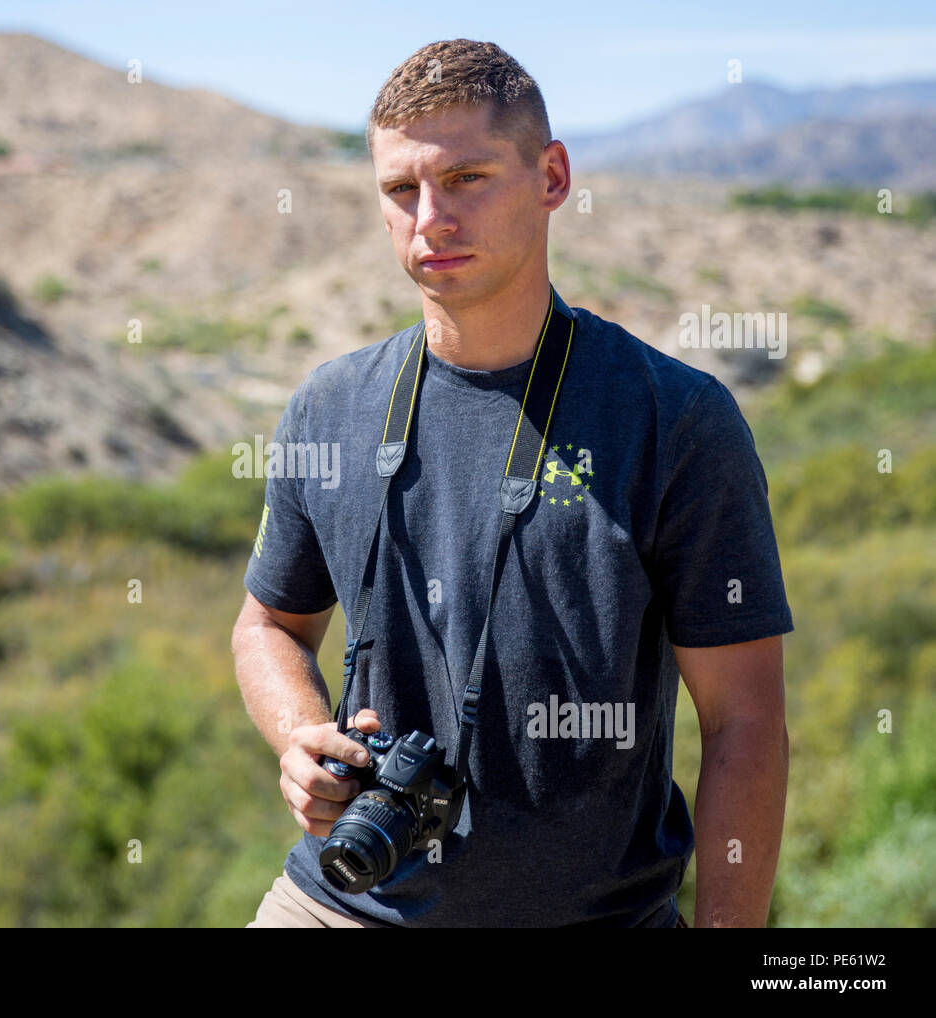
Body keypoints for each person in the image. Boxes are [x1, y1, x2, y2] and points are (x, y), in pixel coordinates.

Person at [230, 39, 792, 928]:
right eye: (400, 190)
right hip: (335, 902)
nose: (429, 220)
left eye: (467, 179)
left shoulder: (677, 420)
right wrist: (300, 734)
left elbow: (744, 723)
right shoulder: (327, 408)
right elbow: (268, 624)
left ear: (553, 177)